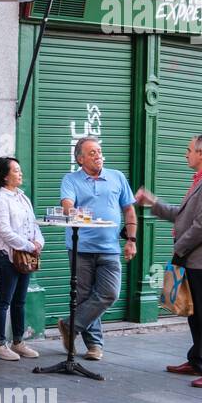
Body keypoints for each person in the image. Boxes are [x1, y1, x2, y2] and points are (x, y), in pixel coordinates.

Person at [135, 134, 202, 389]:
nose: (186, 154)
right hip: (196, 258)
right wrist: (153, 203)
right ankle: (199, 361)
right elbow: (184, 215)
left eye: (189, 150)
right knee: (197, 313)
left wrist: (179, 250)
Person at [57, 136, 138, 360]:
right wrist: (71, 210)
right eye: (92, 153)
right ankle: (95, 345)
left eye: (99, 151)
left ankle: (70, 327)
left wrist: (131, 240)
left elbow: (129, 211)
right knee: (83, 296)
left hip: (110, 247)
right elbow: (67, 205)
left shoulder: (117, 177)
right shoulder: (71, 179)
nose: (98, 156)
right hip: (80, 247)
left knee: (109, 293)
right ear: (80, 159)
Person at [0, 156, 43, 361]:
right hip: (5, 257)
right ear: (4, 176)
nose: (20, 173)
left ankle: (18, 342)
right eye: (16, 170)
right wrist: (29, 246)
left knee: (20, 301)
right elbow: (5, 232)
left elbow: (33, 224)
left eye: (20, 170)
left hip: (25, 256)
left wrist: (39, 242)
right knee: (4, 301)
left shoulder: (22, 197)